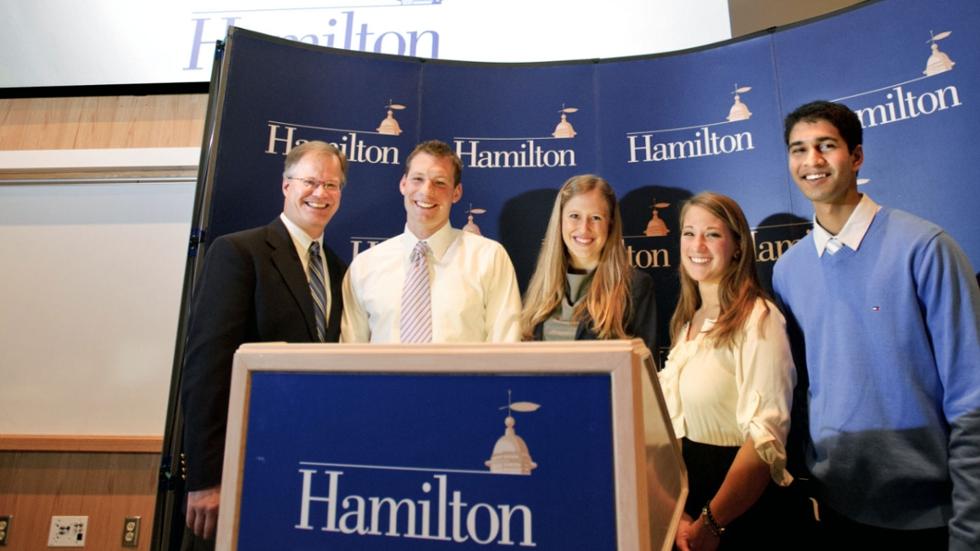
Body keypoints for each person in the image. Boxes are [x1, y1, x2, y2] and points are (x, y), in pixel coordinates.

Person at [773, 100, 980, 549]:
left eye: (826, 146)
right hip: (836, 511)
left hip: (933, 521)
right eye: (799, 149)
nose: (812, 161)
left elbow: (972, 399)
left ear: (857, 155)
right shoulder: (788, 270)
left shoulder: (925, 248)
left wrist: (969, 529)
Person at [179, 141, 348, 547]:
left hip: (307, 472)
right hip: (240, 468)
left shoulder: (341, 270)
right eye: (310, 181)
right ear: (286, 186)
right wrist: (207, 479)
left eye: (331, 184)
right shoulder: (240, 252)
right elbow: (207, 370)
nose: (320, 193)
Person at [659, 191, 796, 551]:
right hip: (688, 508)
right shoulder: (686, 324)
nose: (697, 244)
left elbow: (764, 441)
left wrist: (711, 522)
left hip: (739, 513)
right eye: (689, 233)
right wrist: (678, 512)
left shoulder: (759, 319)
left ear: (737, 246)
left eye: (712, 234)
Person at [341, 140, 521, 343]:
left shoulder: (489, 258)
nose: (426, 191)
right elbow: (350, 355)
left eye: (440, 183)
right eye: (418, 179)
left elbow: (505, 348)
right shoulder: (365, 266)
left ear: (456, 193)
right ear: (403, 184)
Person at [519, 174, 657, 353]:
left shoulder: (635, 287)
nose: (584, 228)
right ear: (560, 220)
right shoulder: (540, 288)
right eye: (574, 216)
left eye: (596, 218)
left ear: (610, 224)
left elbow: (644, 373)